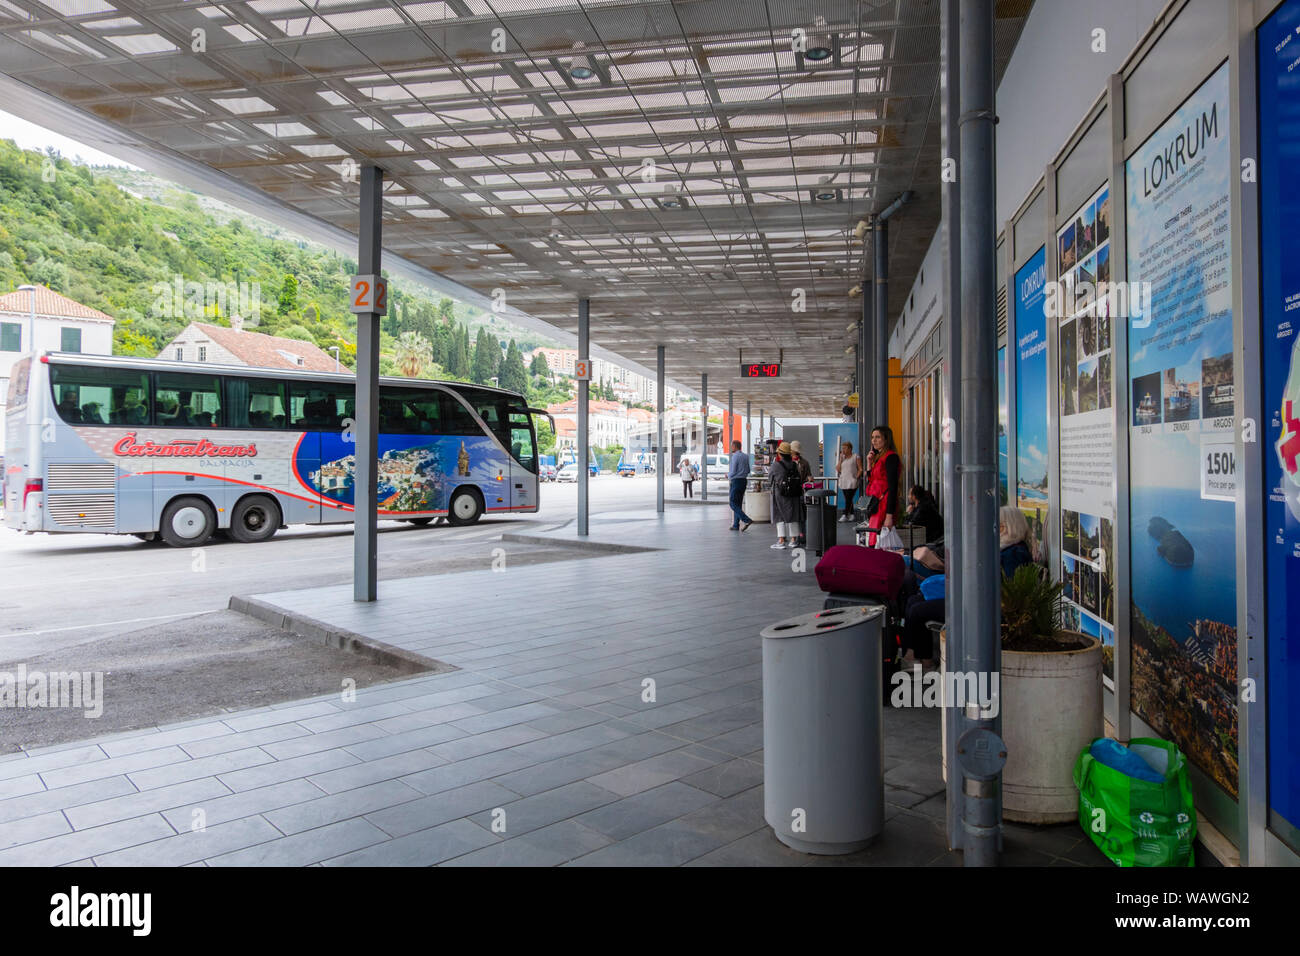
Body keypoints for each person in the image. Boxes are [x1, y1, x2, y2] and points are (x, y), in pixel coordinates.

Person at [900, 505, 1039, 666]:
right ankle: (919, 657)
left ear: (1006, 527)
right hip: (975, 601)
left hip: (981, 608)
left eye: (997, 525)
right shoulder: (1008, 550)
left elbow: (1005, 589)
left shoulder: (1014, 554)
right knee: (914, 602)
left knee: (917, 609)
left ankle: (917, 658)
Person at [862, 425, 900, 545]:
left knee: (879, 539)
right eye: (872, 437)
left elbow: (893, 487)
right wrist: (869, 463)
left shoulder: (891, 457)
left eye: (878, 437)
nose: (874, 440)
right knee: (874, 538)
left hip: (884, 505)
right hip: (876, 504)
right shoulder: (878, 458)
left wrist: (889, 515)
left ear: (886, 439)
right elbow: (871, 480)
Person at [768, 441, 801, 550]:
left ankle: (781, 540)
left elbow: (770, 479)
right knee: (793, 514)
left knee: (779, 515)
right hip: (794, 493)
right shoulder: (795, 465)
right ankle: (793, 540)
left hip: (780, 494)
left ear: (780, 454)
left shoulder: (776, 465)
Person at [789, 441, 813, 547]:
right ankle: (795, 537)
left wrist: (809, 479)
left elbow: (809, 475)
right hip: (792, 493)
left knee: (802, 516)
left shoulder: (804, 463)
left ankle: (802, 536)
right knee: (795, 516)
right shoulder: (788, 463)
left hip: (802, 493)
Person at [726, 440, 752, 531]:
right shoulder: (745, 456)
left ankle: (746, 519)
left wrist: (727, 475)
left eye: (731, 446)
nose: (730, 448)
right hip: (743, 481)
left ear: (735, 446)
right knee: (738, 503)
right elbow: (748, 470)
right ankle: (736, 525)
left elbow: (733, 471)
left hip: (736, 481)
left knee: (732, 503)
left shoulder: (735, 457)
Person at [835, 441, 862, 522]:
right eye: (842, 448)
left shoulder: (855, 456)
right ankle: (852, 514)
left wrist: (856, 477)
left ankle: (845, 514)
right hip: (844, 481)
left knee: (848, 498)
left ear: (850, 449)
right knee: (848, 498)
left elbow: (860, 468)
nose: (843, 450)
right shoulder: (842, 458)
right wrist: (840, 459)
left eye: (845, 448)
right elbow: (838, 469)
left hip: (852, 481)